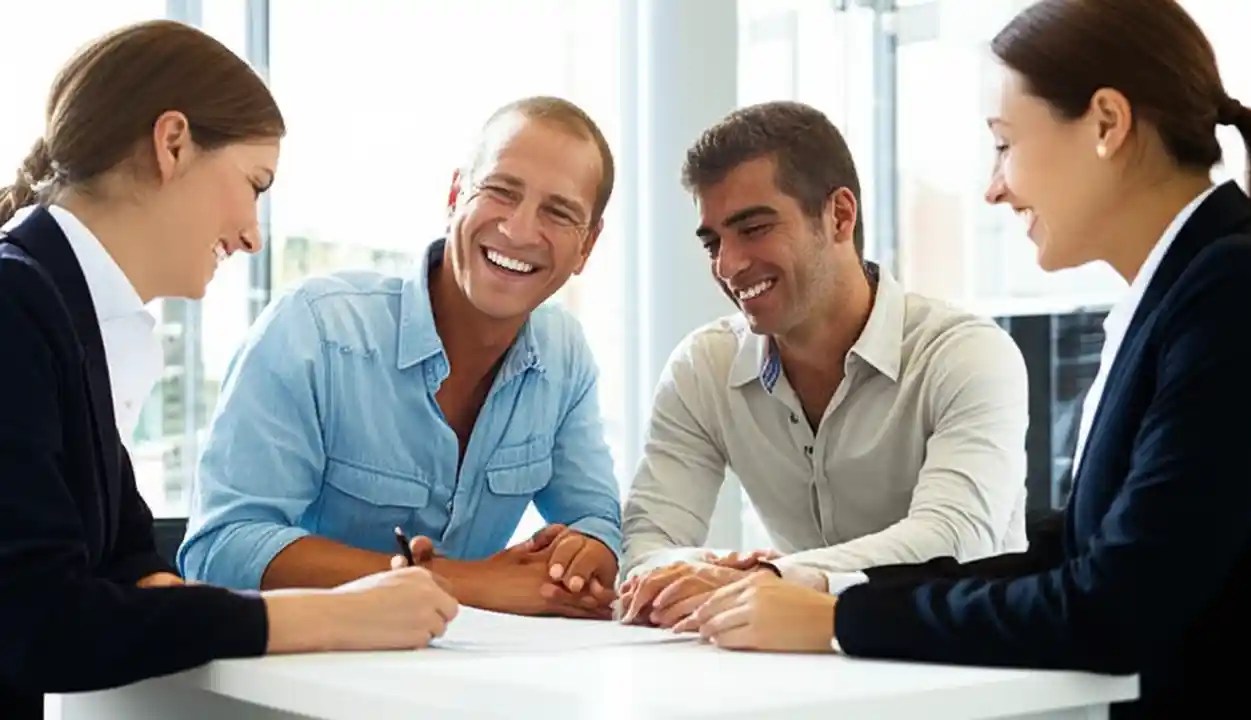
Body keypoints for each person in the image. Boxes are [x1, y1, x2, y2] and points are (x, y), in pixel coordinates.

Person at [679, 1, 1251, 717]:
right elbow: (1075, 551)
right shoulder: (1186, 292)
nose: (995, 187)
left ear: (1106, 124)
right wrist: (828, 588)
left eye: (1003, 144)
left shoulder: (1236, 293)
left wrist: (838, 621)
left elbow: (1116, 605)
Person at [0, 20, 458, 720]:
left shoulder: (62, 313)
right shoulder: (15, 305)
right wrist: (338, 616)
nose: (252, 236)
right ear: (172, 143)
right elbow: (41, 622)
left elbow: (128, 567)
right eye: (254, 184)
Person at [179, 96, 622, 619]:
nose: (520, 230)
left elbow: (596, 520)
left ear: (587, 246)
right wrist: (464, 582)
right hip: (310, 663)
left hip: (474, 665)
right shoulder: (315, 330)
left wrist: (586, 555)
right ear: (456, 195)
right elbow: (221, 549)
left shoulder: (564, 355)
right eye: (501, 191)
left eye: (559, 212)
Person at [615, 100, 1031, 627]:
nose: (728, 265)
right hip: (802, 659)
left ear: (839, 216)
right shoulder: (704, 368)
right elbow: (648, 544)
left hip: (959, 658)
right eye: (713, 242)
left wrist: (773, 577)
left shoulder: (966, 355)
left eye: (754, 228)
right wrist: (703, 570)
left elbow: (954, 538)